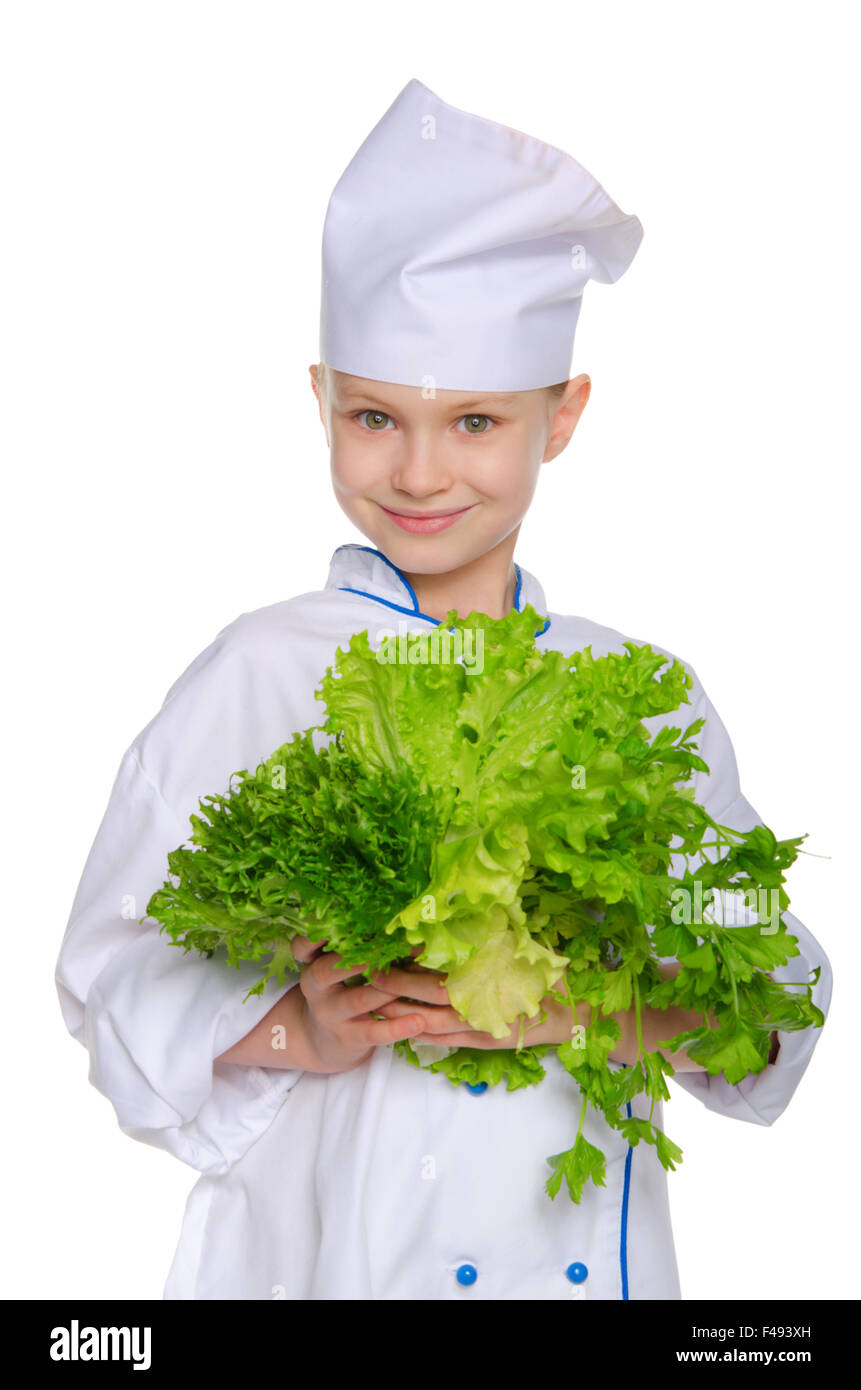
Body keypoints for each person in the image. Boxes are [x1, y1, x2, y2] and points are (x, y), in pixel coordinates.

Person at [55, 78, 831, 1301]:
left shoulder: (638, 694)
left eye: (475, 419)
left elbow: (771, 1005)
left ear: (560, 417)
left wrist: (580, 1006)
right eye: (375, 416)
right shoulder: (262, 669)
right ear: (320, 400)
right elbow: (110, 982)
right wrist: (294, 1032)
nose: (420, 471)